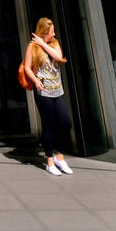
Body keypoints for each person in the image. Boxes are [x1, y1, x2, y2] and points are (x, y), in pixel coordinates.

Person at [23, 17, 73, 175]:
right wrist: (35, 80)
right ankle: (50, 161)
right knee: (49, 125)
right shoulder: (32, 47)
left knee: (66, 122)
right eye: (51, 32)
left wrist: (43, 43)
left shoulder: (54, 43)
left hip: (58, 91)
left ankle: (60, 157)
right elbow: (27, 68)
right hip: (43, 92)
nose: (54, 34)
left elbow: (59, 58)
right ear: (44, 32)